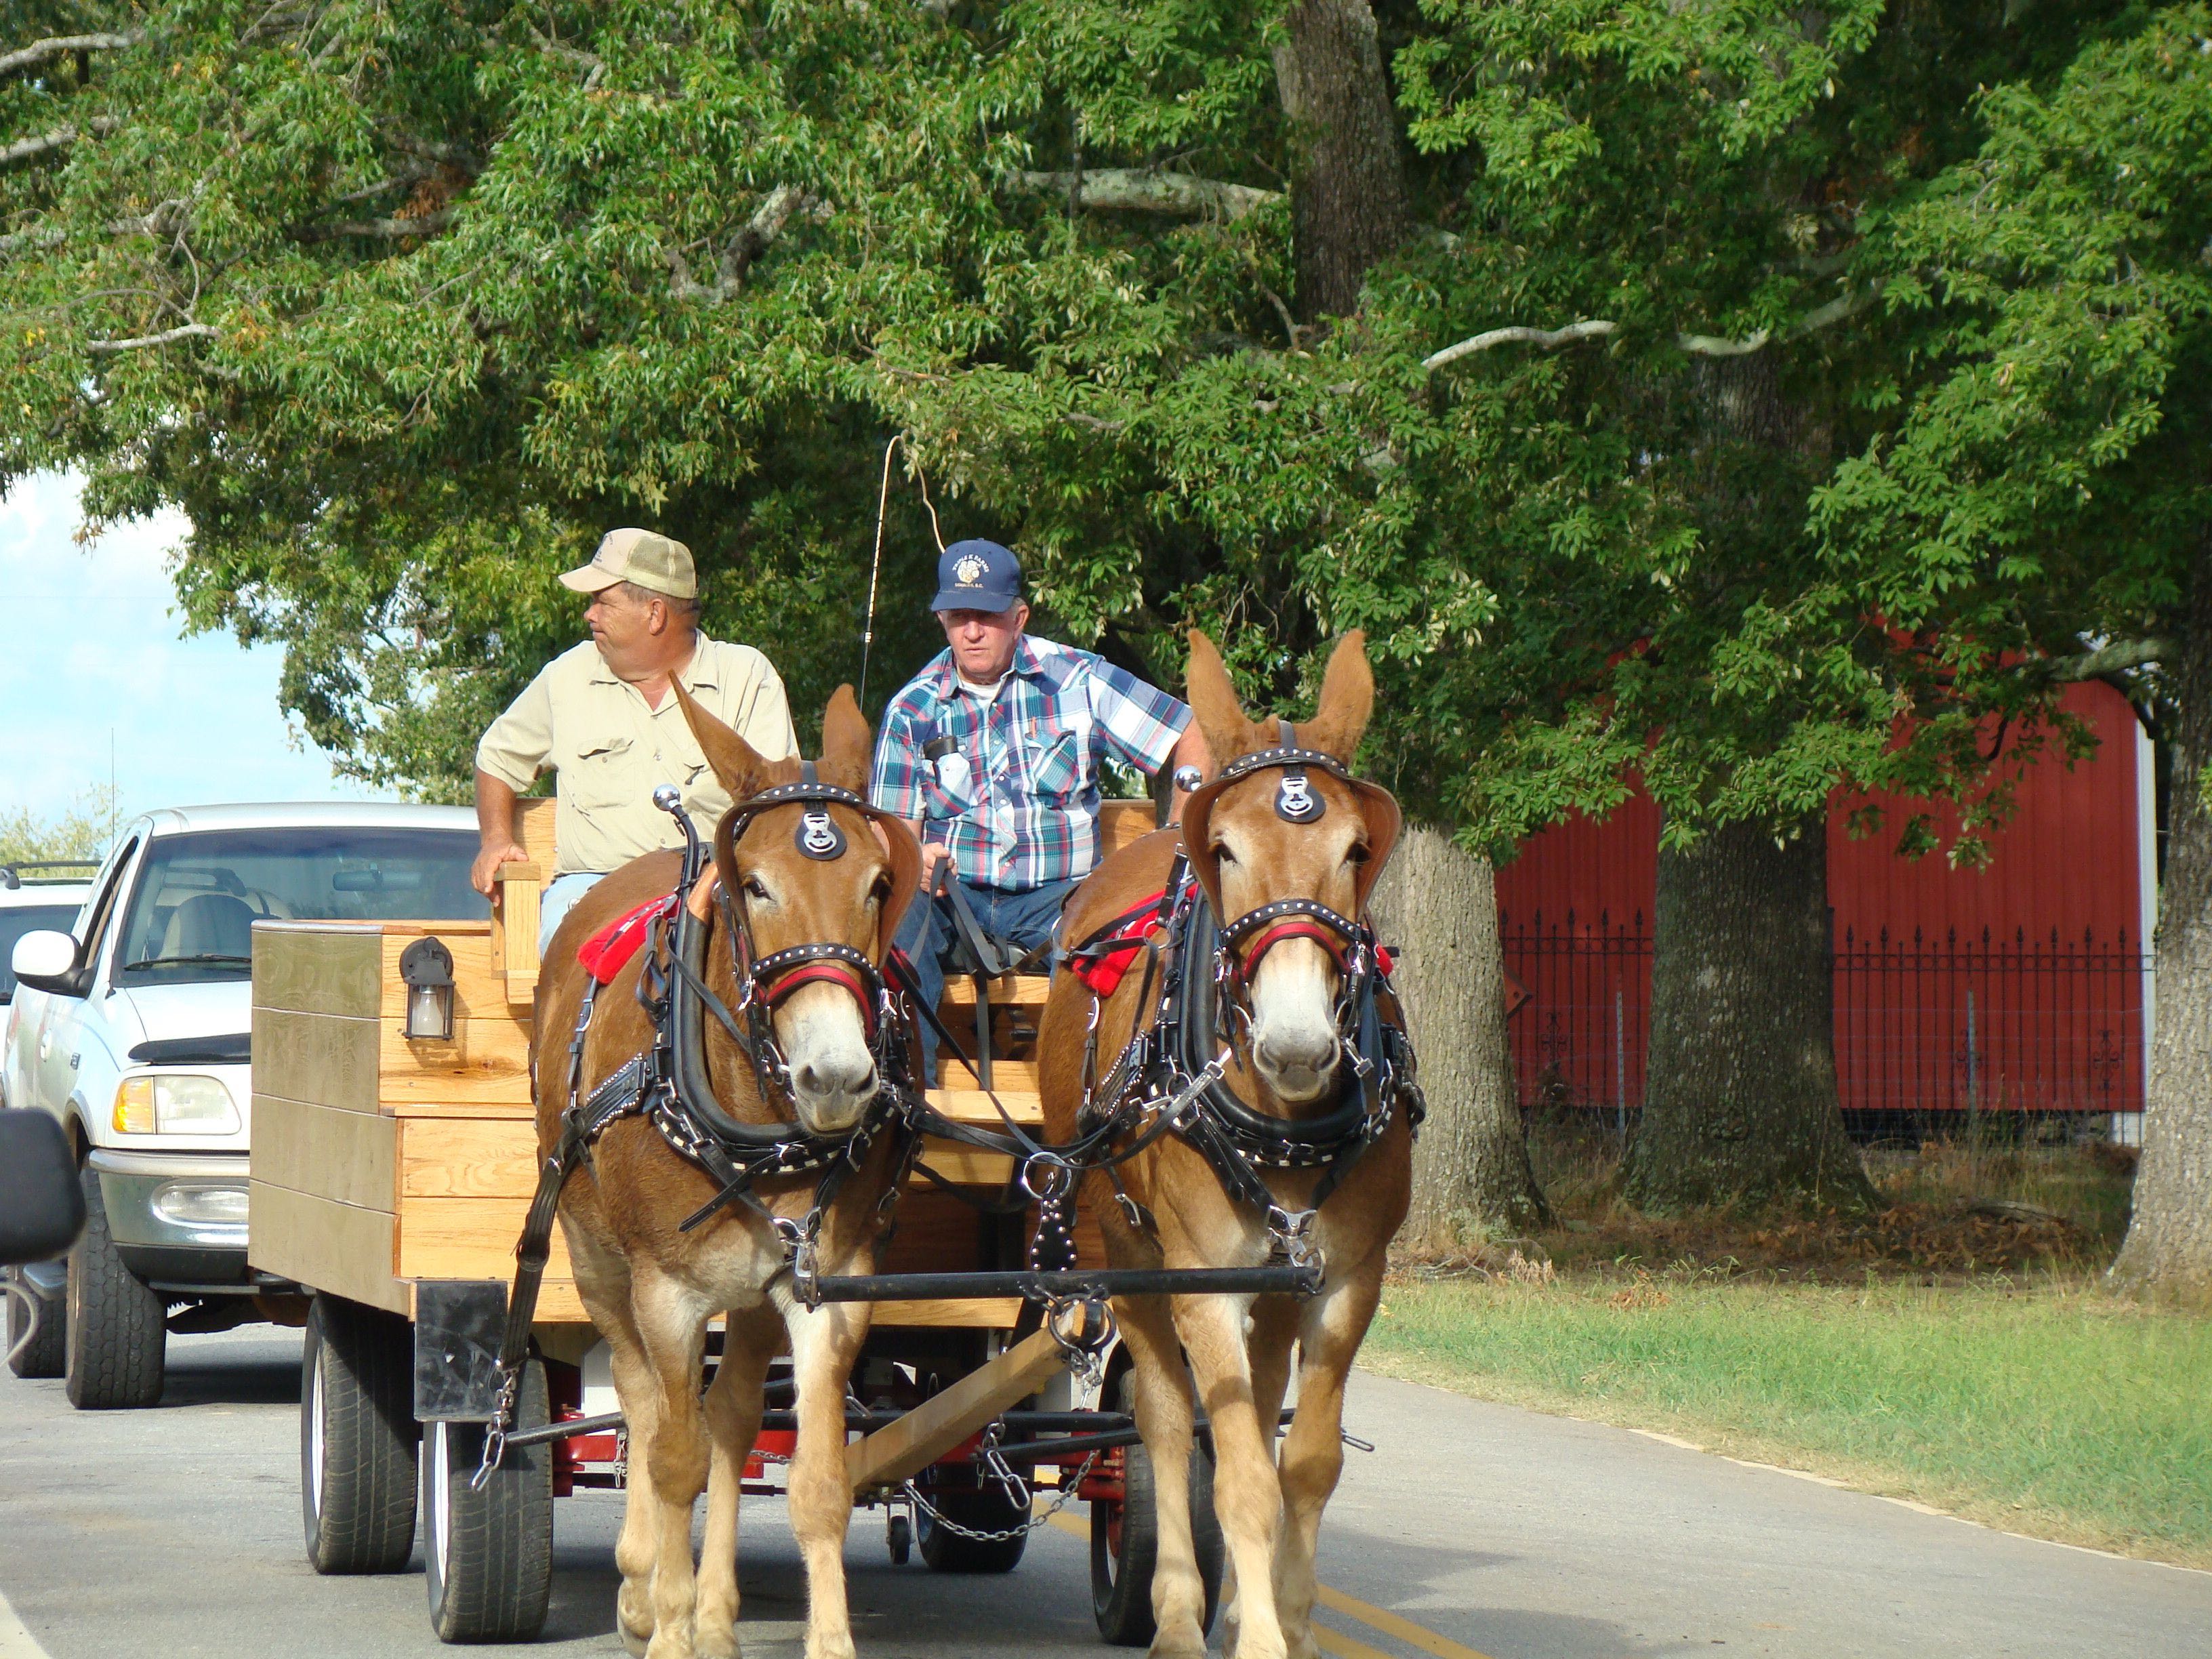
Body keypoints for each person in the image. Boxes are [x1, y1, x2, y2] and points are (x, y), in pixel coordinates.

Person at [871, 539, 1210, 1078]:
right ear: (942, 620)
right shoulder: (912, 709)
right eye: (959, 617)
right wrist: (917, 855)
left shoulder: (1078, 678)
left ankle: (1081, 1108)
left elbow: (1189, 734)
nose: (973, 632)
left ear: (1019, 616)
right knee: (891, 922)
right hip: (953, 899)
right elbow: (894, 838)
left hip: (1061, 897)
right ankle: (907, 1102)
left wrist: (1175, 838)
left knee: (1109, 937)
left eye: (987, 616)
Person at [472, 527, 798, 951]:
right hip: (593, 890)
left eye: (602, 601)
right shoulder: (566, 677)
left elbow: (777, 806)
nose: (589, 615)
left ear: (655, 614)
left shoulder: (747, 677)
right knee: (562, 944)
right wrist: (496, 838)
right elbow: (497, 758)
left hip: (715, 884)